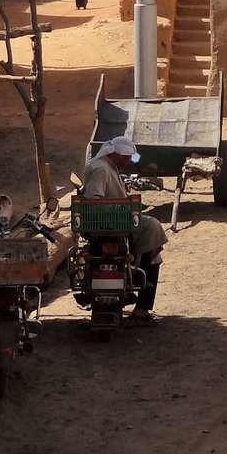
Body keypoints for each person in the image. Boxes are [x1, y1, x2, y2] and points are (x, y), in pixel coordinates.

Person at [80, 135, 167, 324]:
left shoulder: (107, 167)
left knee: (151, 229)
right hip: (111, 223)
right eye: (126, 157)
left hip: (115, 220)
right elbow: (94, 200)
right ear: (116, 154)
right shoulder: (101, 169)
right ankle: (140, 271)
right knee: (152, 228)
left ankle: (137, 261)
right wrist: (120, 210)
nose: (128, 161)